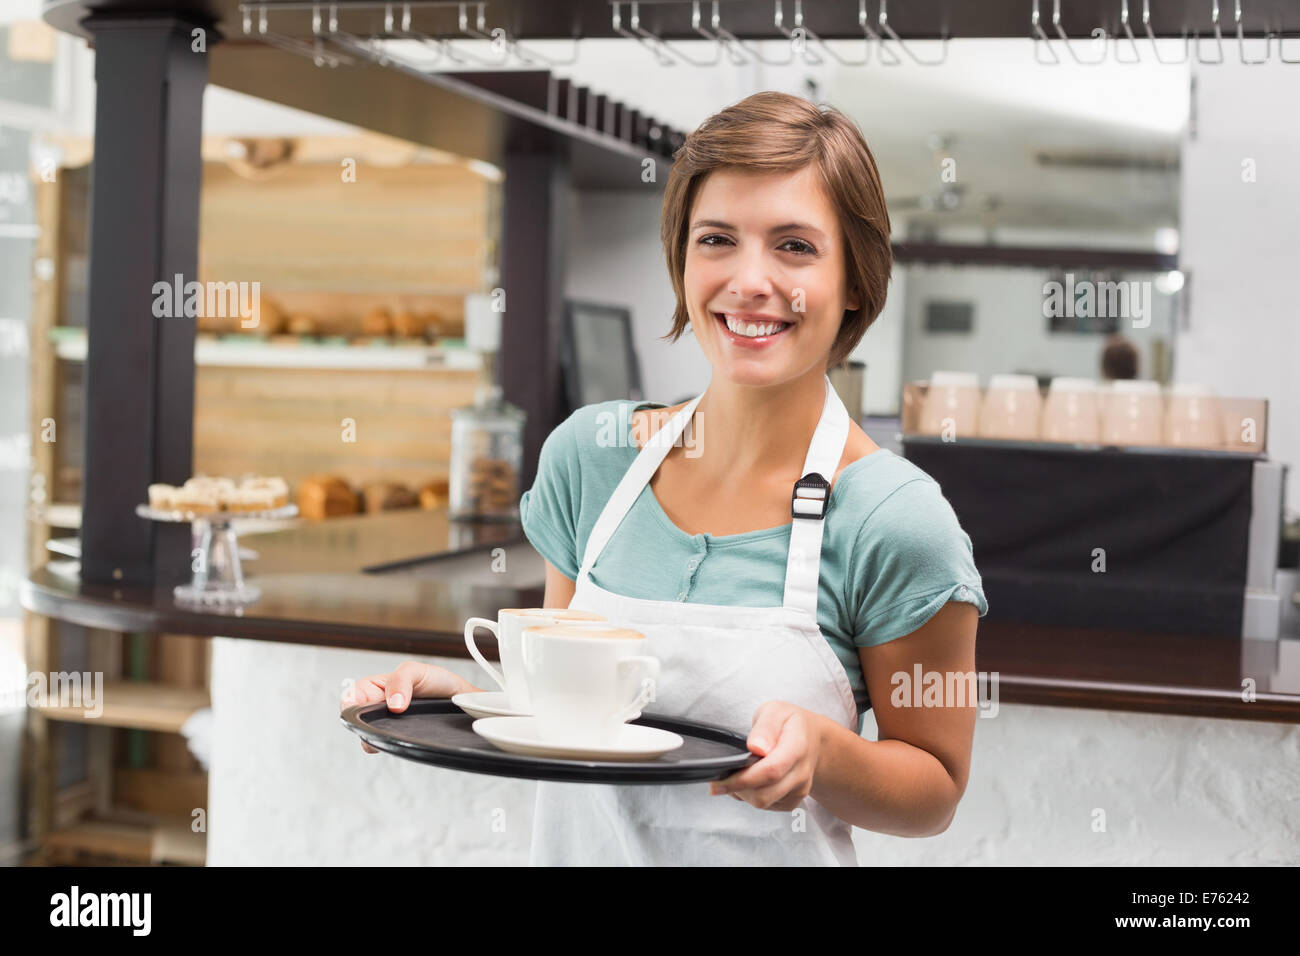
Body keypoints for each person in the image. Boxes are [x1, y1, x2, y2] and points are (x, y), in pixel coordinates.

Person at [345, 91, 988, 866]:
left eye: (794, 246)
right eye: (717, 238)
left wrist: (826, 754)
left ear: (855, 279)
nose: (750, 281)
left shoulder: (898, 521)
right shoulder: (591, 458)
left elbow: (937, 787)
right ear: (682, 261)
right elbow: (569, 706)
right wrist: (453, 703)